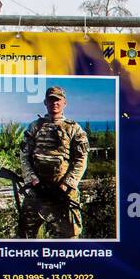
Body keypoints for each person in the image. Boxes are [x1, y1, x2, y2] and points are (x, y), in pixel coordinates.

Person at [20, 86, 89, 239]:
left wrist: (67, 184)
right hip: (37, 191)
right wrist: (33, 180)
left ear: (65, 103)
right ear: (45, 102)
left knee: (70, 236)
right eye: (51, 100)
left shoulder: (74, 129)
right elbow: (25, 156)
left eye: (58, 100)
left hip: (63, 192)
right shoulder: (35, 127)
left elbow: (81, 159)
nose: (54, 103)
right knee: (25, 236)